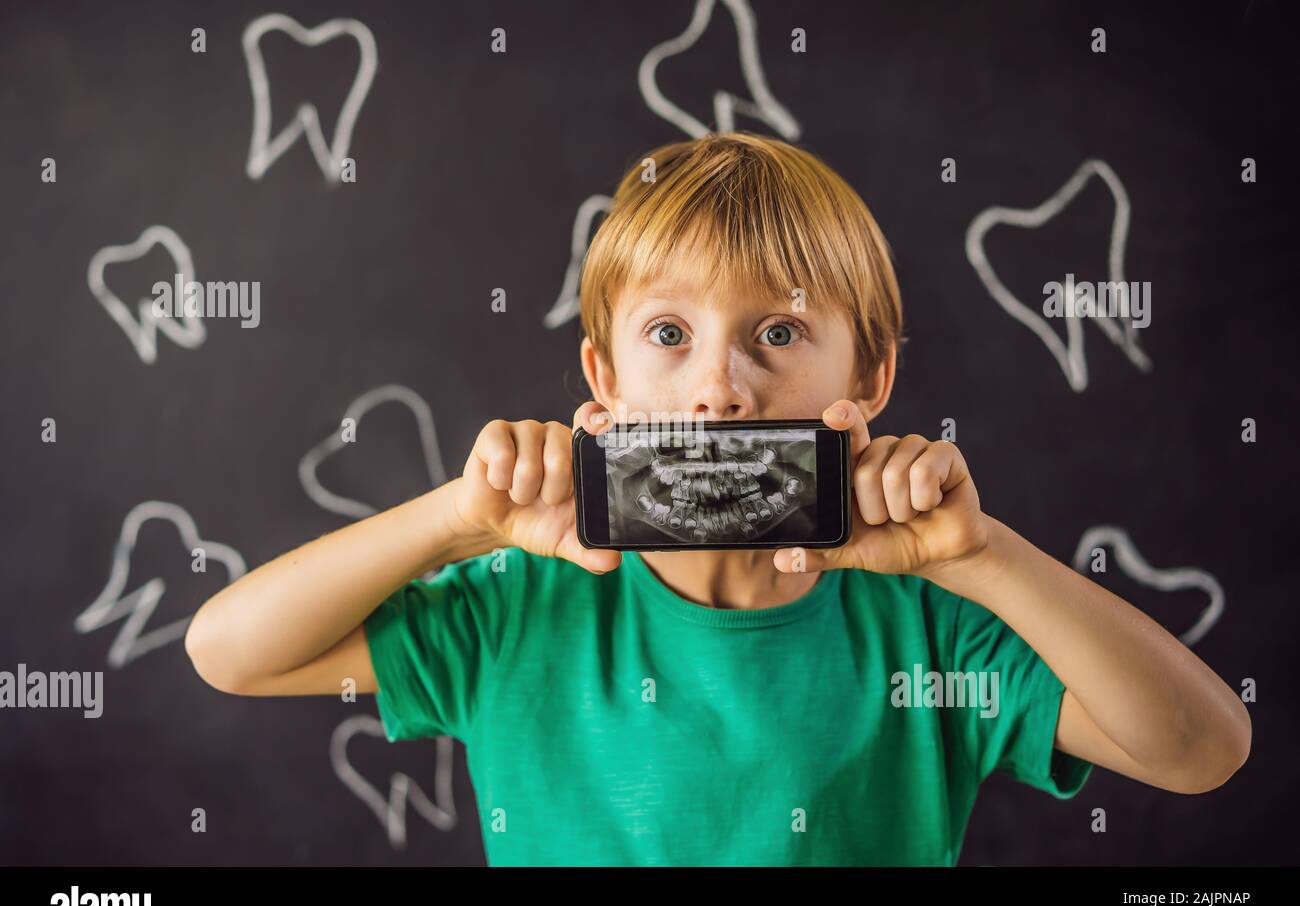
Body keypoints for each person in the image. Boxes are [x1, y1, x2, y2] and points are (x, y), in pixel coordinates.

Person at [184, 132, 1250, 865]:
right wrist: (455, 519)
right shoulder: (519, 604)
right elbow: (230, 650)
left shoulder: (937, 626)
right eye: (669, 334)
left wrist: (983, 558)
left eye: (777, 333)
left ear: (868, 379)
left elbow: (1203, 750)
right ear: (603, 377)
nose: (718, 386)